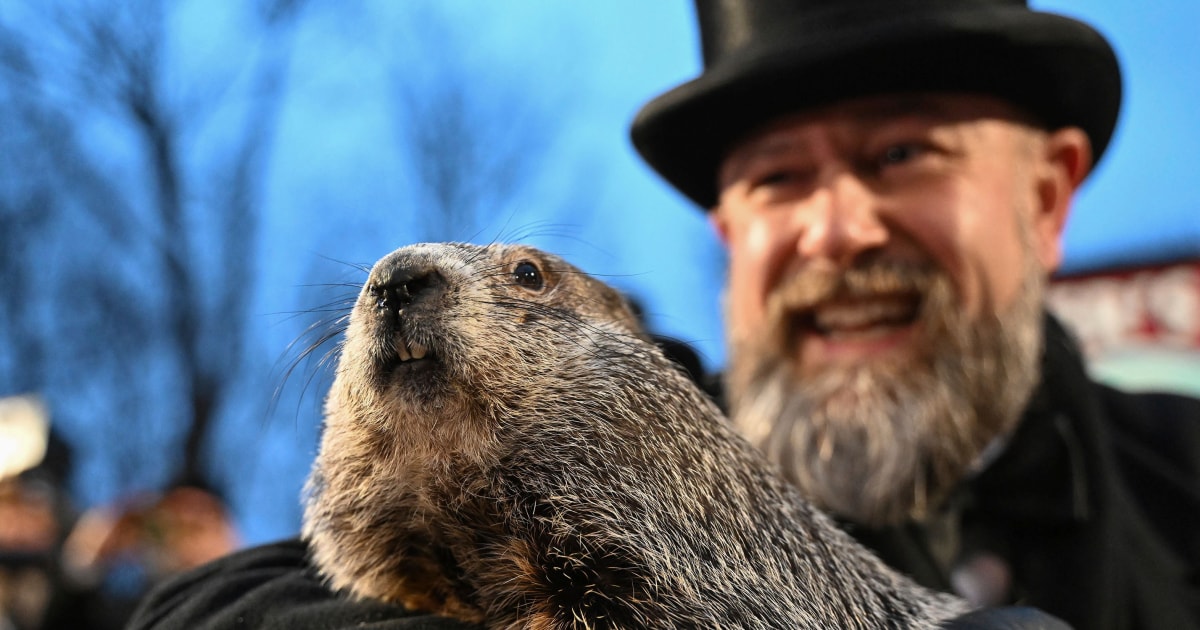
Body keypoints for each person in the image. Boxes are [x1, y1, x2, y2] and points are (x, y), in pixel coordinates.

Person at [125, 1, 1199, 629]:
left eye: (901, 155)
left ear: (1048, 197)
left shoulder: (1182, 471)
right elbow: (204, 605)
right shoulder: (610, 416)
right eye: (777, 180)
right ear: (731, 237)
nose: (834, 231)